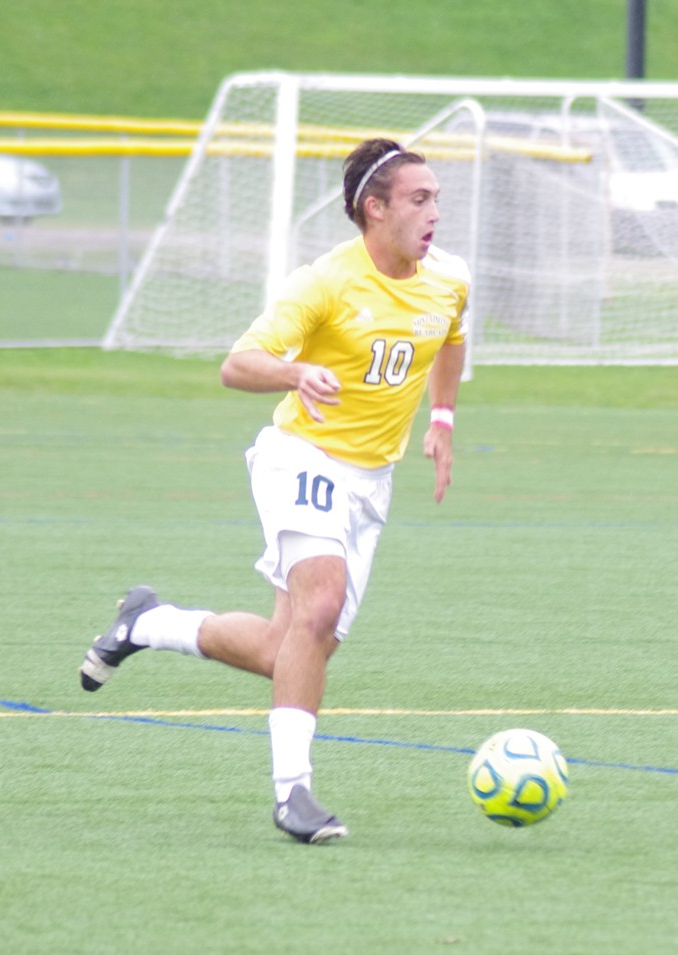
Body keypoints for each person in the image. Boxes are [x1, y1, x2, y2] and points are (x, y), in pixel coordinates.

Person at [78, 138, 470, 845]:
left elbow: (450, 336)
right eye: (420, 199)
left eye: (437, 198)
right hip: (301, 457)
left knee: (285, 649)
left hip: (371, 484)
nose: (435, 212)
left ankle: (146, 623)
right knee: (319, 607)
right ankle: (294, 795)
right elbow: (238, 364)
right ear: (374, 209)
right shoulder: (324, 283)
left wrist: (441, 417)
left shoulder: (448, 278)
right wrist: (295, 373)